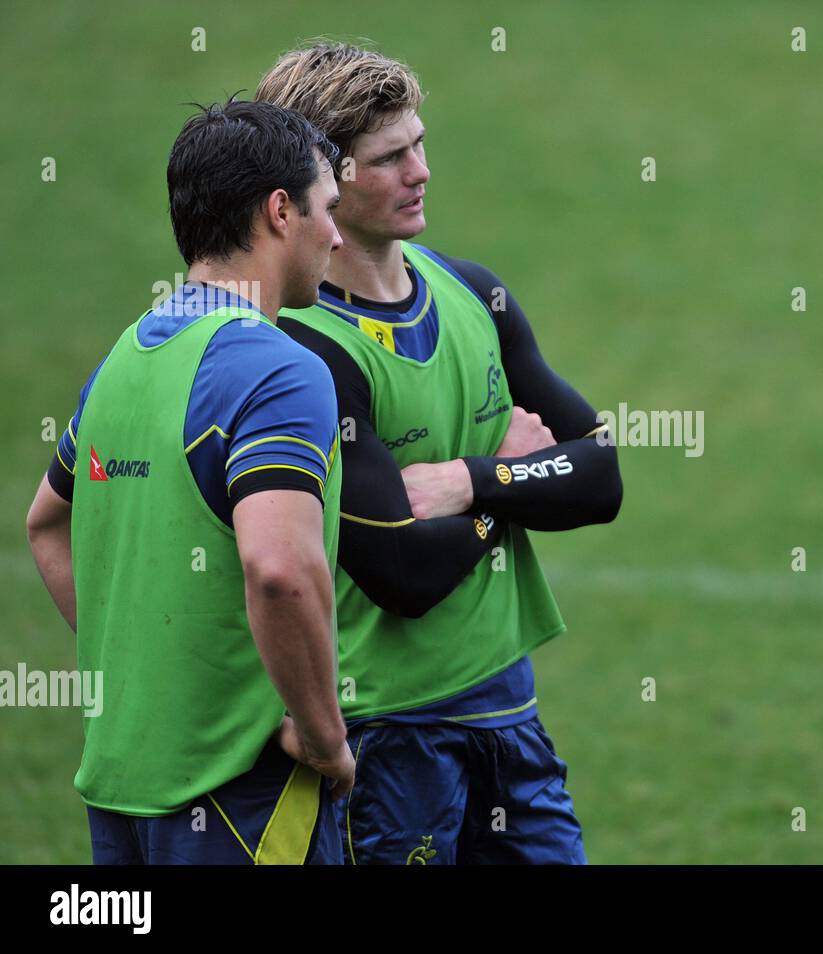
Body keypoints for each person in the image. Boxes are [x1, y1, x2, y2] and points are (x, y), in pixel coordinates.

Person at [255, 43, 622, 865]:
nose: (421, 171)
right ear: (325, 181)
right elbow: (403, 574)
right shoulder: (307, 351)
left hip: (507, 711)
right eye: (391, 158)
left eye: (419, 143)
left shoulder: (472, 293)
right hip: (387, 731)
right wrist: (518, 481)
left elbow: (601, 476)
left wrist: (470, 480)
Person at [24, 100, 354, 864]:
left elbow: (46, 525)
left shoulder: (125, 358)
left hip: (121, 797)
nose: (337, 235)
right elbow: (279, 571)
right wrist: (322, 733)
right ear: (280, 211)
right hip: (240, 800)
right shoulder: (280, 369)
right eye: (327, 209)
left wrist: (141, 680)